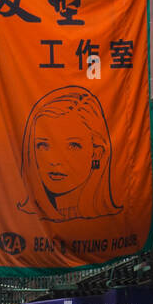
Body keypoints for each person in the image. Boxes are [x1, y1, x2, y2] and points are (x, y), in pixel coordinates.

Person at [16, 86, 122, 223]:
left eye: (73, 145)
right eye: (43, 145)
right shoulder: (20, 220)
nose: (54, 160)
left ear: (97, 153)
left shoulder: (115, 222)